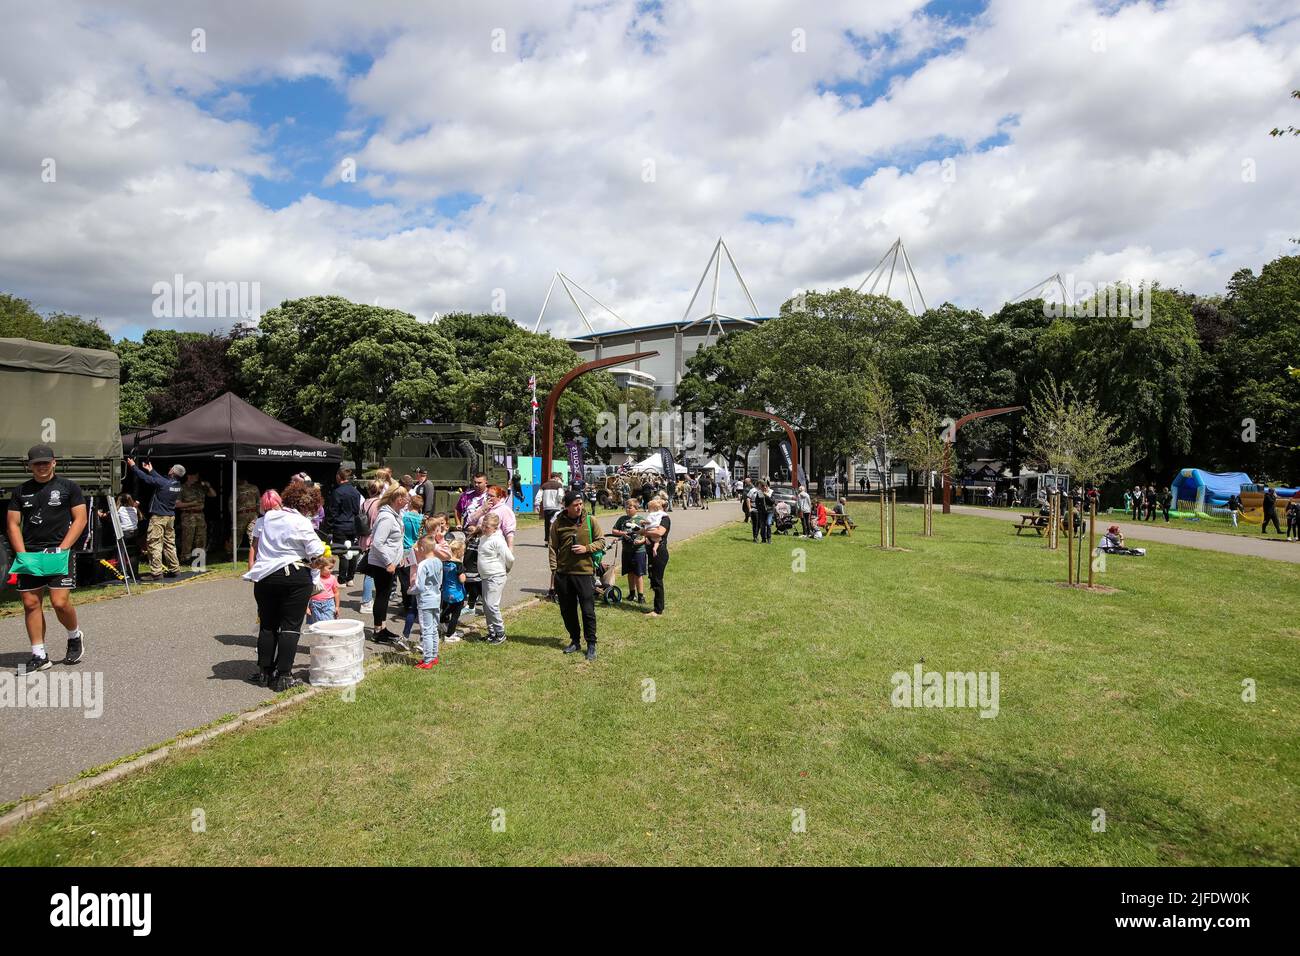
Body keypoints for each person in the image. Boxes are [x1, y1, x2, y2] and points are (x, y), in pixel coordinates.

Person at [6, 444, 89, 671]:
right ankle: (39, 655)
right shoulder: (20, 491)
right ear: (30, 466)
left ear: (54, 462)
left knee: (60, 603)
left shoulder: (68, 487)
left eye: (45, 462)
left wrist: (63, 548)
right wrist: (21, 553)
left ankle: (74, 636)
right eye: (36, 463)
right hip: (30, 553)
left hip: (58, 551)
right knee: (31, 604)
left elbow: (80, 519)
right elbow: (12, 524)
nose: (41, 467)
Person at [243, 481, 327, 690]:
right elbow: (317, 554)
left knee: (268, 625)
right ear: (308, 507)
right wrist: (316, 572)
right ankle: (284, 675)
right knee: (290, 627)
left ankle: (264, 672)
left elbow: (256, 544)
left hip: (265, 577)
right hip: (294, 577)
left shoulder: (265, 519)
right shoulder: (301, 522)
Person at [550, 490, 602, 660]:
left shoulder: (590, 520)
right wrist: (554, 570)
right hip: (563, 573)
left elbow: (601, 541)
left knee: (588, 610)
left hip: (584, 572)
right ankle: (575, 640)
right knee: (567, 610)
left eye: (581, 504)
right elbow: (552, 547)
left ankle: (591, 644)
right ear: (567, 507)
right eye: (575, 505)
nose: (579, 507)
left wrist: (586, 549)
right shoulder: (558, 523)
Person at [364, 484, 410, 651]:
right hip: (382, 564)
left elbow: (395, 541)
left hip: (391, 562)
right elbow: (377, 543)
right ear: (398, 499)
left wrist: (400, 559)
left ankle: (382, 628)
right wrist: (388, 562)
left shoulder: (395, 515)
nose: (407, 500)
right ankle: (378, 630)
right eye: (405, 497)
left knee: (383, 595)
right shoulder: (387, 517)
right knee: (382, 596)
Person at [127, 456, 183, 579]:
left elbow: (146, 478)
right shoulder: (177, 485)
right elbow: (160, 479)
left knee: (154, 544)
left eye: (171, 469)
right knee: (169, 544)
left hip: (158, 518)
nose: (169, 469)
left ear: (172, 472)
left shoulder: (164, 483)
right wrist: (151, 470)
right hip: (170, 517)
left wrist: (133, 466)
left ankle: (156, 573)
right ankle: (175, 569)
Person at [477, 512, 515, 645]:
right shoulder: (483, 538)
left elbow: (510, 558)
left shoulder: (498, 540)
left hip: (496, 576)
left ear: (495, 527)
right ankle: (491, 632)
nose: (484, 528)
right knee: (486, 606)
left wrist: (506, 569)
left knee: (492, 605)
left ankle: (500, 633)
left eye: (487, 526)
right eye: (483, 525)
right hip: (485, 576)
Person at [411, 534, 443, 668]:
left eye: (418, 547)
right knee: (434, 628)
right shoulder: (438, 561)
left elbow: (420, 586)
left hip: (425, 600)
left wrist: (410, 590)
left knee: (426, 630)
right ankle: (434, 655)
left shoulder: (423, 565)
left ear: (423, 548)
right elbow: (440, 581)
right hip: (436, 598)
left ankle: (428, 659)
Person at [356, 479, 384, 614]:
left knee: (370, 571)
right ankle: (366, 601)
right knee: (370, 573)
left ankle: (368, 600)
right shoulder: (378, 505)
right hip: (373, 540)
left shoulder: (365, 502)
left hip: (364, 539)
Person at [612, 498, 647, 604]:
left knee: (638, 573)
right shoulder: (622, 519)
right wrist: (623, 534)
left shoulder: (641, 520)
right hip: (626, 550)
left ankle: (641, 595)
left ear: (636, 508)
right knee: (630, 572)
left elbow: (646, 535)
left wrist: (641, 542)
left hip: (638, 551)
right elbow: (614, 530)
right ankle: (632, 594)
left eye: (630, 507)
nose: (627, 509)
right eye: (626, 507)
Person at [176, 471, 216, 562]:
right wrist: (191, 504)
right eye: (195, 475)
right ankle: (185, 558)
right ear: (189, 476)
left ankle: (199, 558)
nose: (197, 477)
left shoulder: (200, 487)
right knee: (188, 537)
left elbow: (213, 495)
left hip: (200, 515)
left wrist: (208, 486)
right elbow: (177, 504)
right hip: (188, 515)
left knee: (201, 537)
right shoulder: (181, 488)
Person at [642, 496, 671, 618]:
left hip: (660, 552)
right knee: (653, 578)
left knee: (657, 580)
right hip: (651, 550)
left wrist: (644, 532)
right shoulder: (654, 517)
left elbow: (659, 532)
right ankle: (656, 606)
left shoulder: (664, 518)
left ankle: (658, 609)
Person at [439, 536, 468, 643]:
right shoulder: (458, 564)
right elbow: (461, 579)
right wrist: (464, 576)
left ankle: (441, 622)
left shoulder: (445, 562)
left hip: (446, 591)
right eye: (463, 551)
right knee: (455, 614)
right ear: (458, 552)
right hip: (456, 593)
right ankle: (449, 635)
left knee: (448, 608)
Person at [309, 555, 339, 624]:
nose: (332, 570)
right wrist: (307, 607)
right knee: (318, 625)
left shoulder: (332, 578)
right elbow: (308, 593)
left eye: (332, 568)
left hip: (328, 603)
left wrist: (337, 606)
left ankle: (330, 634)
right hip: (315, 604)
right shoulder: (314, 578)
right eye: (329, 568)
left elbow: (336, 592)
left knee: (329, 623)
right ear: (320, 568)